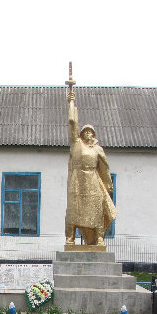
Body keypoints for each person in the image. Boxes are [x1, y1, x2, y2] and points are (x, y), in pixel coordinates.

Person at [65, 90, 117, 246]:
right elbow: (72, 122)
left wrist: (108, 184)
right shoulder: (76, 144)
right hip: (77, 180)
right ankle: (70, 238)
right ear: (81, 135)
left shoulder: (97, 149)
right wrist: (71, 102)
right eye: (85, 131)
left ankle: (99, 238)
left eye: (90, 132)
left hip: (93, 180)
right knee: (74, 208)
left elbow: (104, 168)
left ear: (93, 135)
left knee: (97, 207)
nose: (88, 133)